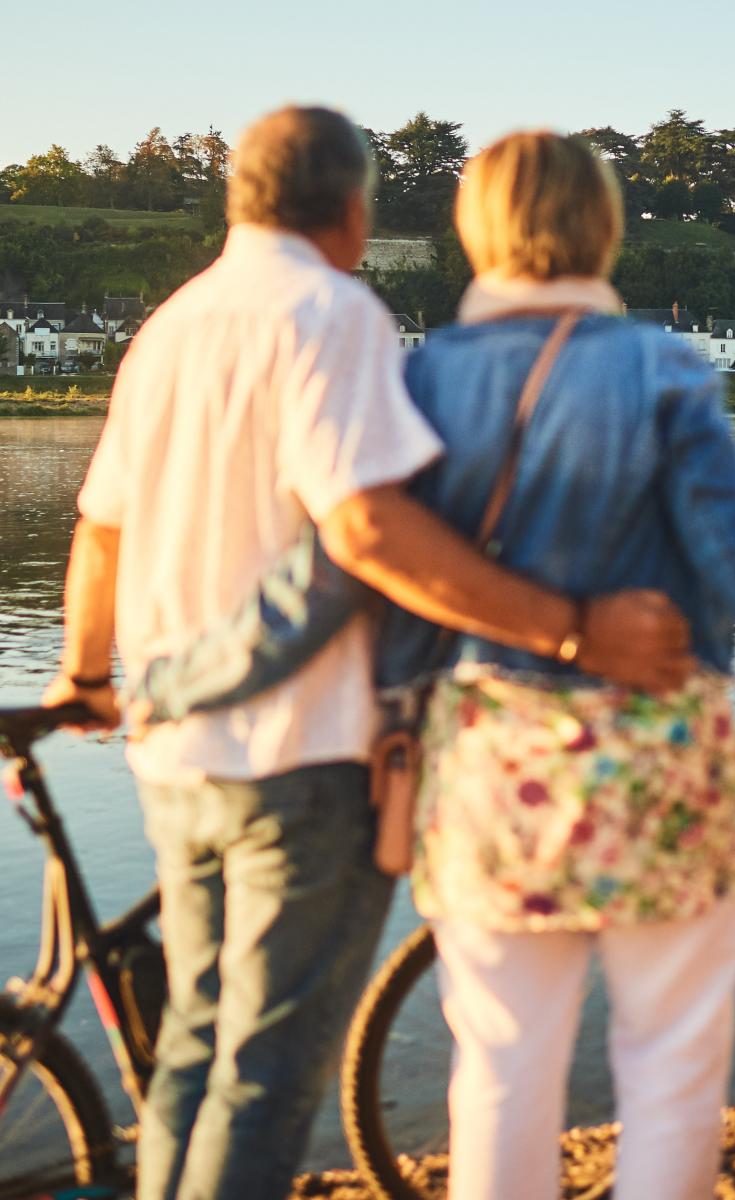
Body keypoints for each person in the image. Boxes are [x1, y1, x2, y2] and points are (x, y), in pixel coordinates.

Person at [131, 131, 735, 1200]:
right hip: (659, 760)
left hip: (493, 764)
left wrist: (185, 683)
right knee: (672, 1064)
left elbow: (356, 578)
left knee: (497, 1067)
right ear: (606, 225)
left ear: (473, 229)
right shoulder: (665, 368)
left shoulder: (424, 374)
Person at [41, 108, 693, 1200]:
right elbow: (370, 532)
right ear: (353, 212)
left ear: (239, 200)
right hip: (299, 755)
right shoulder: (330, 314)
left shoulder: (169, 327)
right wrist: (573, 630)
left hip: (172, 752)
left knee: (193, 1055)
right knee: (267, 1079)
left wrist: (87, 675)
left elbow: (101, 530)